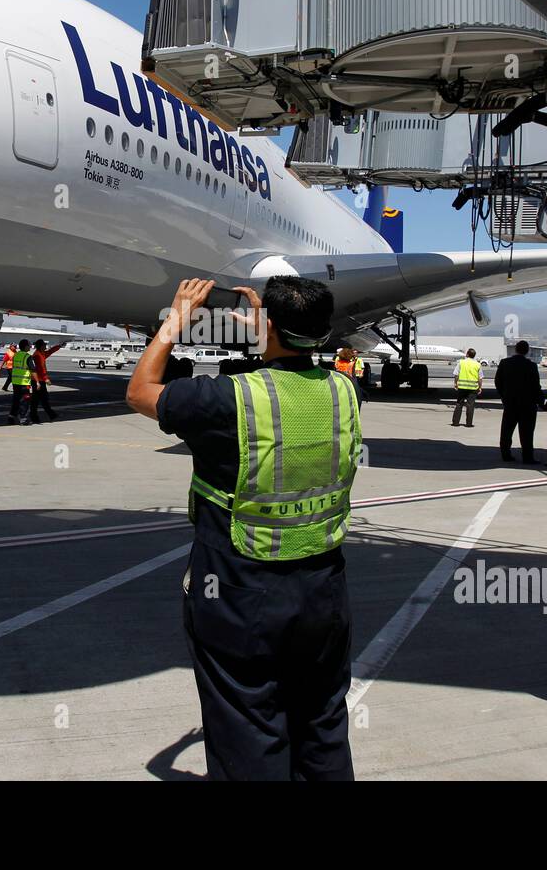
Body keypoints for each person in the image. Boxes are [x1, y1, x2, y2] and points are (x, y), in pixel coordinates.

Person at [127, 276, 362, 781]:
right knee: (321, 724)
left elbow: (141, 391)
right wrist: (273, 330)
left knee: (249, 727)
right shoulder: (347, 391)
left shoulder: (227, 398)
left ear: (269, 327)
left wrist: (176, 321)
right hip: (324, 591)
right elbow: (294, 374)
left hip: (241, 591)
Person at [493, 341, 542, 462]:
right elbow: (536, 386)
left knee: (506, 431)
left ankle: (505, 454)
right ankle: (527, 457)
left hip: (510, 403)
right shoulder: (531, 366)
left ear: (515, 349)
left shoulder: (505, 363)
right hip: (528, 404)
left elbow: (497, 381)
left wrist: (504, 396)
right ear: (527, 351)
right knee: (527, 433)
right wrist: (540, 401)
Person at [28, 339, 64, 422]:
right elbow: (40, 369)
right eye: (44, 345)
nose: (46, 346)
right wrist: (46, 379)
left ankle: (50, 415)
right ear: (41, 346)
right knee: (38, 399)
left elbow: (50, 352)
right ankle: (37, 416)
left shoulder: (41, 353)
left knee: (40, 399)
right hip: (38, 380)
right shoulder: (37, 355)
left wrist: (59, 346)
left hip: (38, 380)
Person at [451, 348, 482, 427]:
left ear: (467, 354)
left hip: (462, 387)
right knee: (470, 406)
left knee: (459, 404)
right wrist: (480, 387)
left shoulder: (461, 363)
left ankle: (455, 422)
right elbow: (480, 378)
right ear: (474, 355)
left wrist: (455, 383)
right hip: (473, 388)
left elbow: (456, 374)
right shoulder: (477, 364)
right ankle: (469, 423)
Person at [7, 339, 34, 424]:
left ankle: (11, 417)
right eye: (29, 345)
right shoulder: (27, 356)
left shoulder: (16, 355)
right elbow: (32, 370)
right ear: (25, 346)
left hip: (15, 381)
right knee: (24, 401)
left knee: (16, 400)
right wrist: (36, 381)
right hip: (24, 382)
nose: (30, 346)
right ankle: (23, 419)